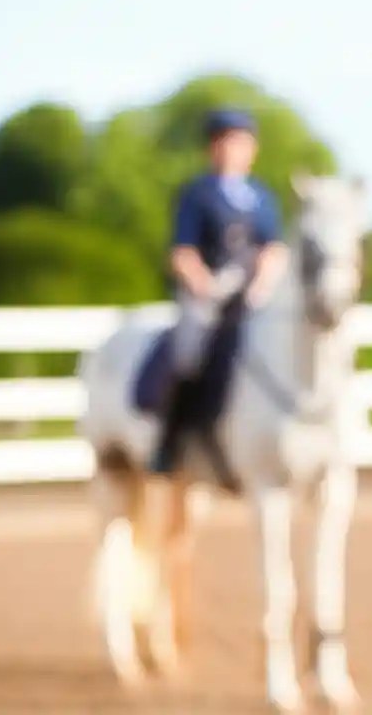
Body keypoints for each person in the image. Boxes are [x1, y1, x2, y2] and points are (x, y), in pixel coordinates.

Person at [150, 108, 288, 474]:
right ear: (212, 148)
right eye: (225, 142)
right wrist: (204, 286)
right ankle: (171, 441)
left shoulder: (262, 197)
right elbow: (183, 251)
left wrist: (262, 284)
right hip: (209, 291)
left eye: (240, 142)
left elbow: (273, 247)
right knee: (188, 353)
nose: (232, 150)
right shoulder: (197, 194)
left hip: (252, 293)